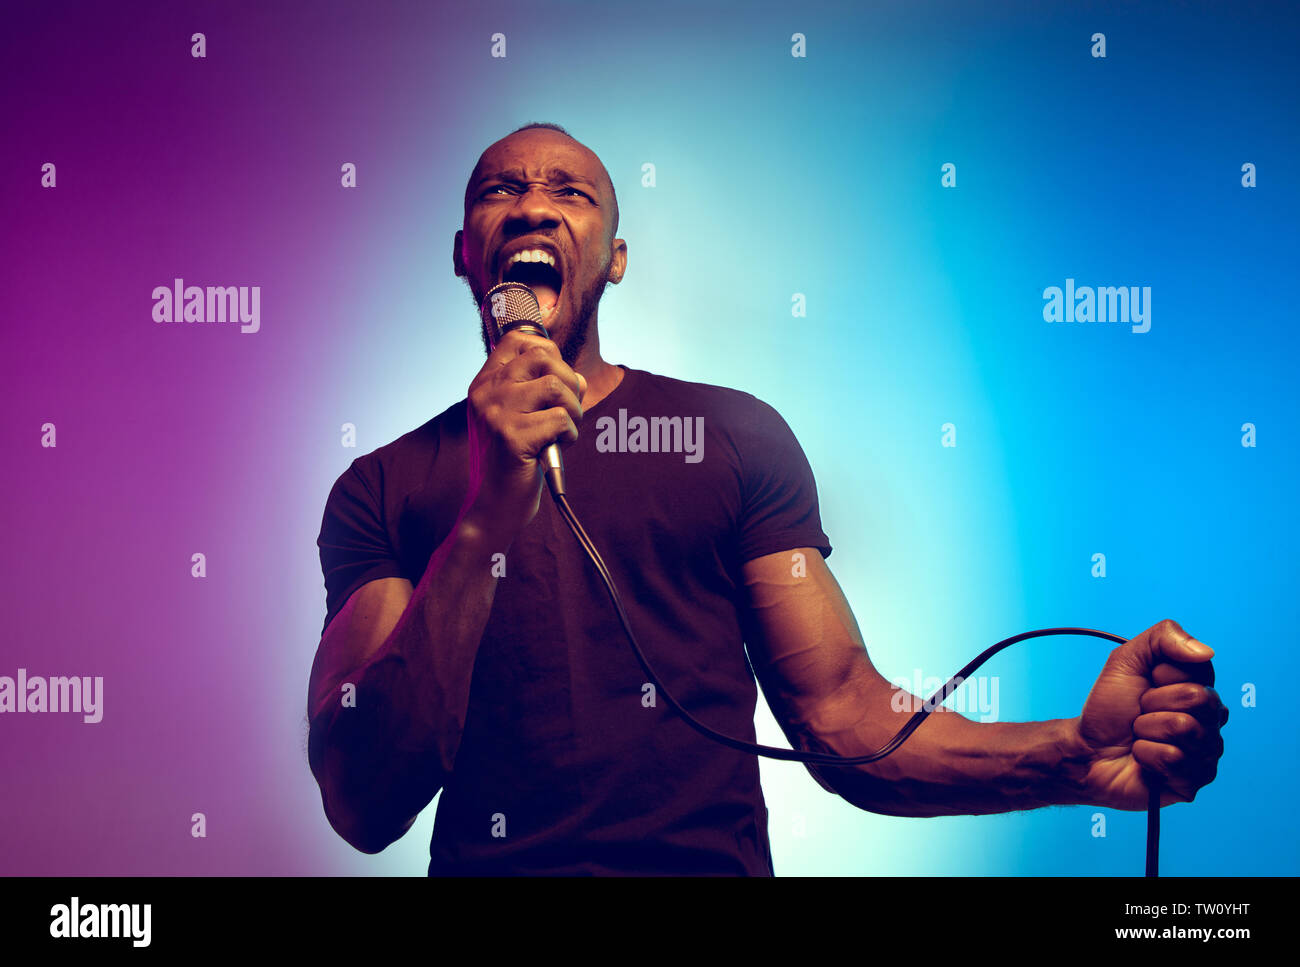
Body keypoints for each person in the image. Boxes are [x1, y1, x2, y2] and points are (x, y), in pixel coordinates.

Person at [307, 123, 1228, 876]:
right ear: (466, 252)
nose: (535, 205)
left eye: (570, 192)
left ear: (614, 257)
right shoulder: (380, 488)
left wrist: (1077, 752)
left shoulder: (732, 437)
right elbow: (362, 797)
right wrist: (486, 511)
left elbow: (845, 720)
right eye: (501, 191)